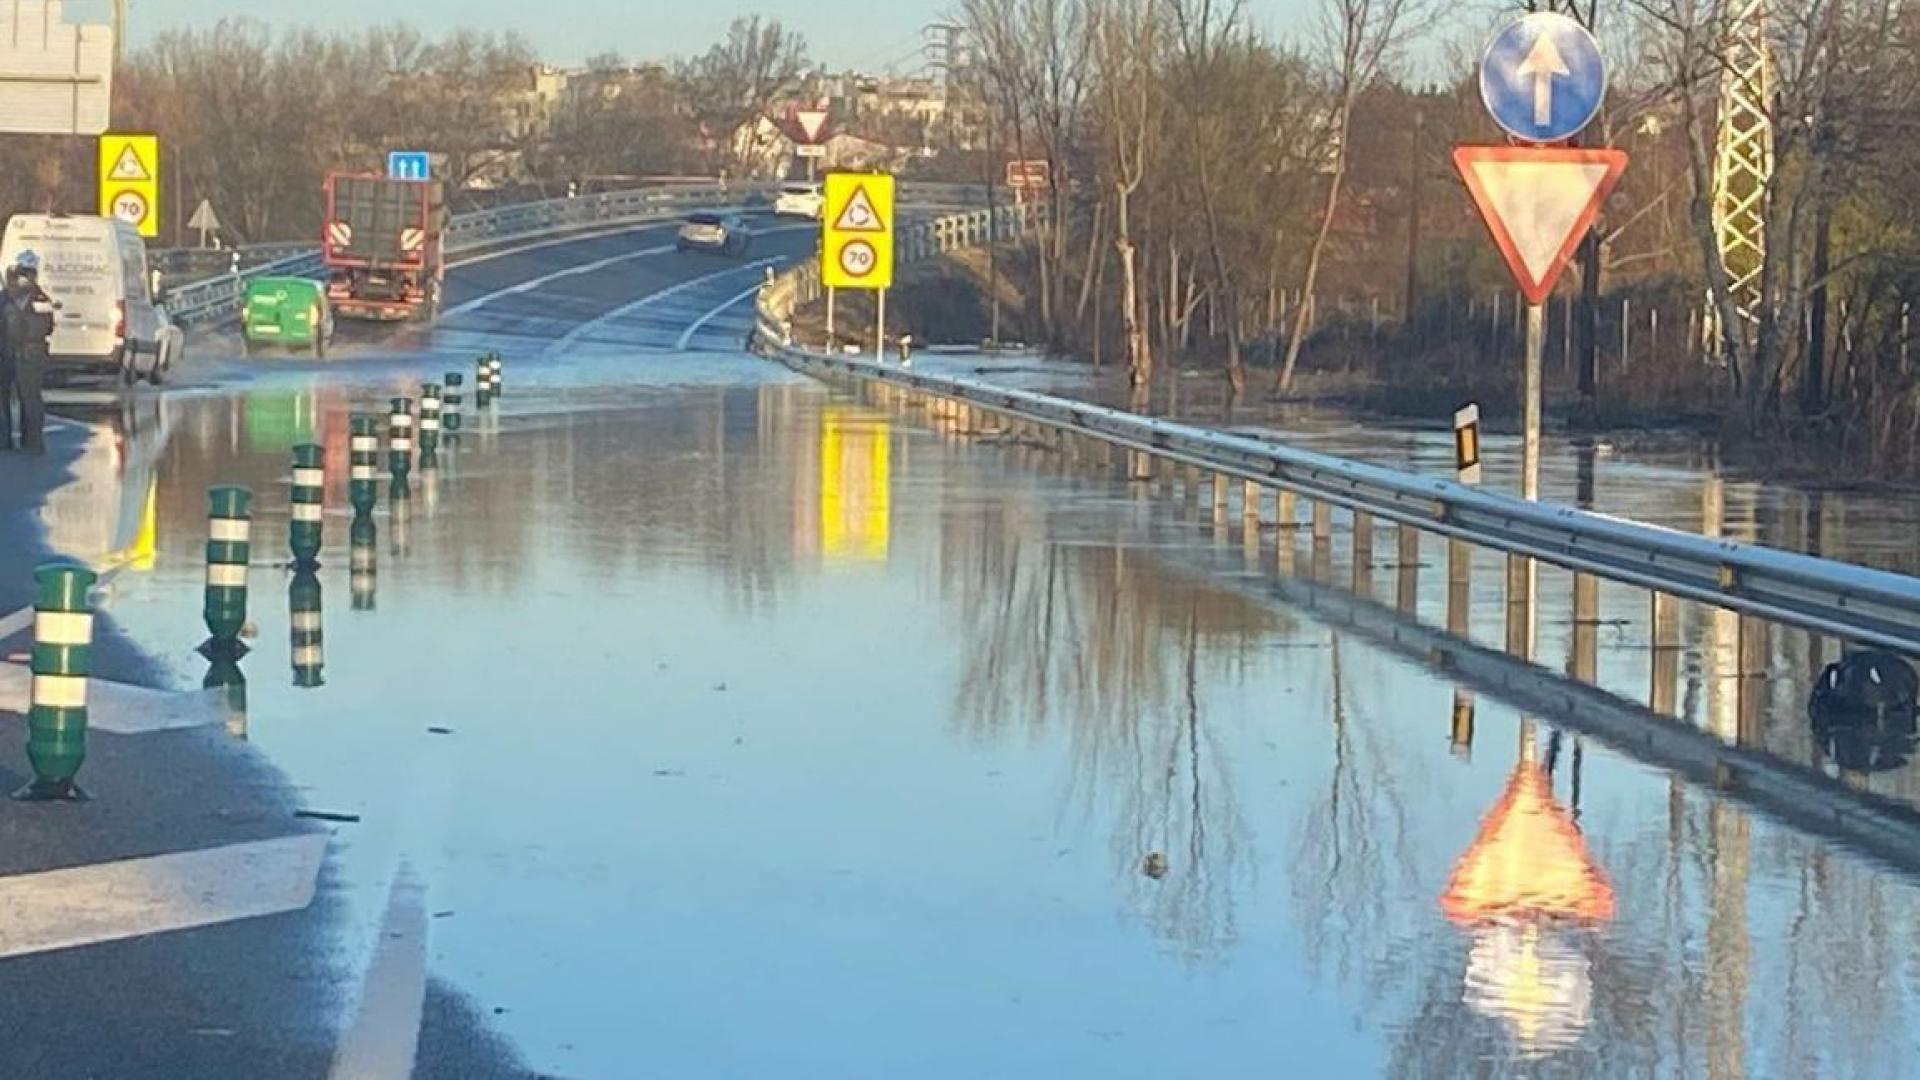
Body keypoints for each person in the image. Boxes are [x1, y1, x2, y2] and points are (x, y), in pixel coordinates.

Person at [0, 251, 54, 453]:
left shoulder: (38, 298)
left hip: (29, 354)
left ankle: (32, 441)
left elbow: (42, 327)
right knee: (3, 398)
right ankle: (4, 440)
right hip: (7, 352)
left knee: (30, 399)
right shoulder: (6, 296)